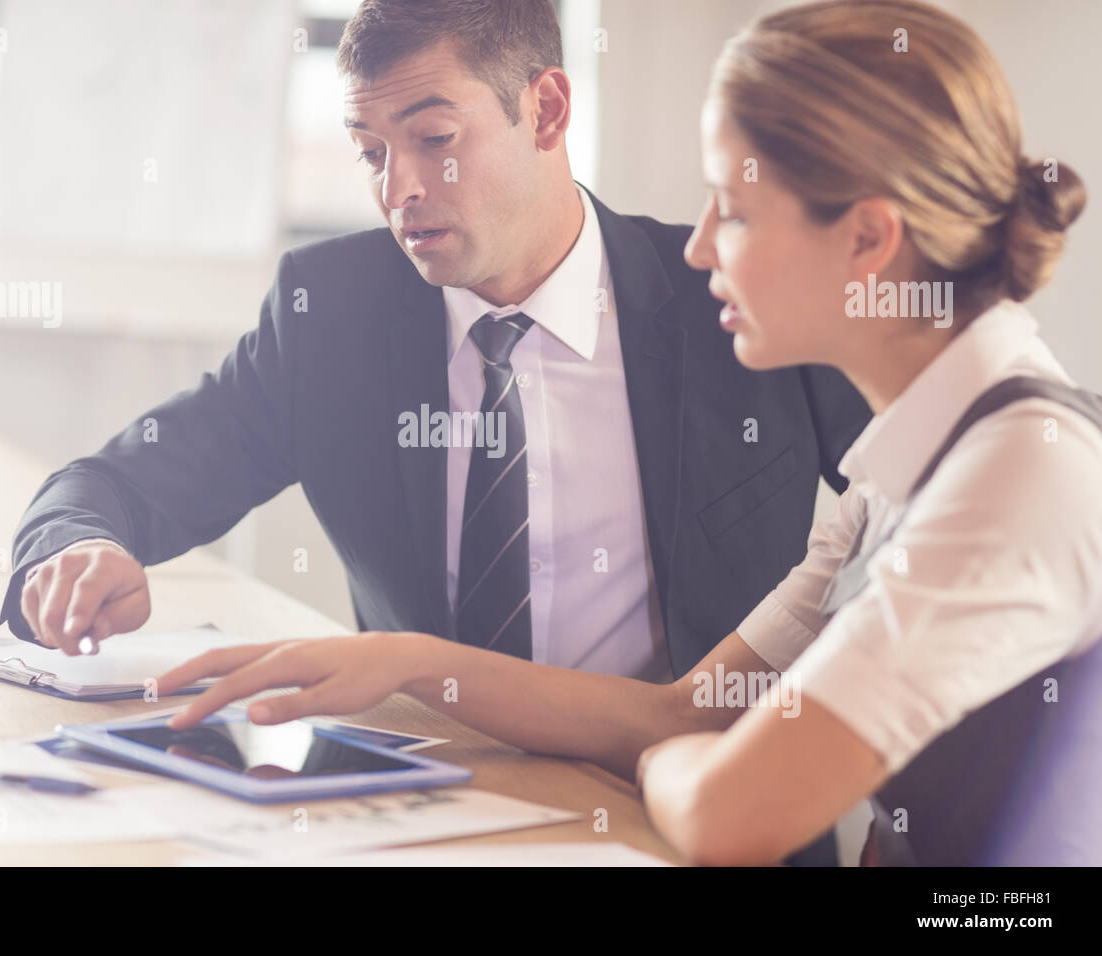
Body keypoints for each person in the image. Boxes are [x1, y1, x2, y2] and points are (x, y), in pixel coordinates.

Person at [156, 0, 1100, 866]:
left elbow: (732, 810)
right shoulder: (908, 468)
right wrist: (400, 663)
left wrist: (669, 765)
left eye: (734, 209)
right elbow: (688, 710)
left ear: (867, 240)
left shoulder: (1014, 480)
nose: (698, 247)